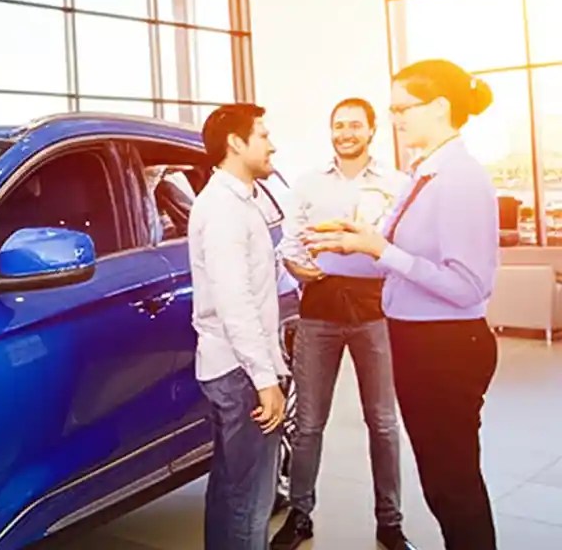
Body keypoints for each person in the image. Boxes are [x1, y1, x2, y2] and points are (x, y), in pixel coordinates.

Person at [304, 59, 499, 550]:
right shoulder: (424, 174)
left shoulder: (459, 178)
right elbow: (389, 258)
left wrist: (379, 249)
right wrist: (331, 256)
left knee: (454, 487)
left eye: (401, 109)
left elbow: (467, 286)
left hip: (447, 347)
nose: (394, 119)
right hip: (416, 341)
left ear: (439, 107)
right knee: (440, 484)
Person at [271, 98, 415, 550]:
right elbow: (288, 242)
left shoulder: (397, 183)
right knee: (309, 423)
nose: (346, 132)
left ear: (372, 130)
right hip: (320, 305)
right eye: (338, 125)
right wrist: (295, 267)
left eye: (355, 125)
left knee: (383, 422)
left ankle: (389, 522)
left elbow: (407, 245)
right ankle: (300, 514)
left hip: (378, 308)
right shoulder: (309, 184)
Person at [189, 103, 288, 550]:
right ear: (236, 142)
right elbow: (235, 301)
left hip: (229, 366)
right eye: (263, 136)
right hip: (241, 370)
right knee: (250, 500)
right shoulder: (225, 209)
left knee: (230, 490)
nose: (272, 145)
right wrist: (265, 378)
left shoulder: (232, 202)